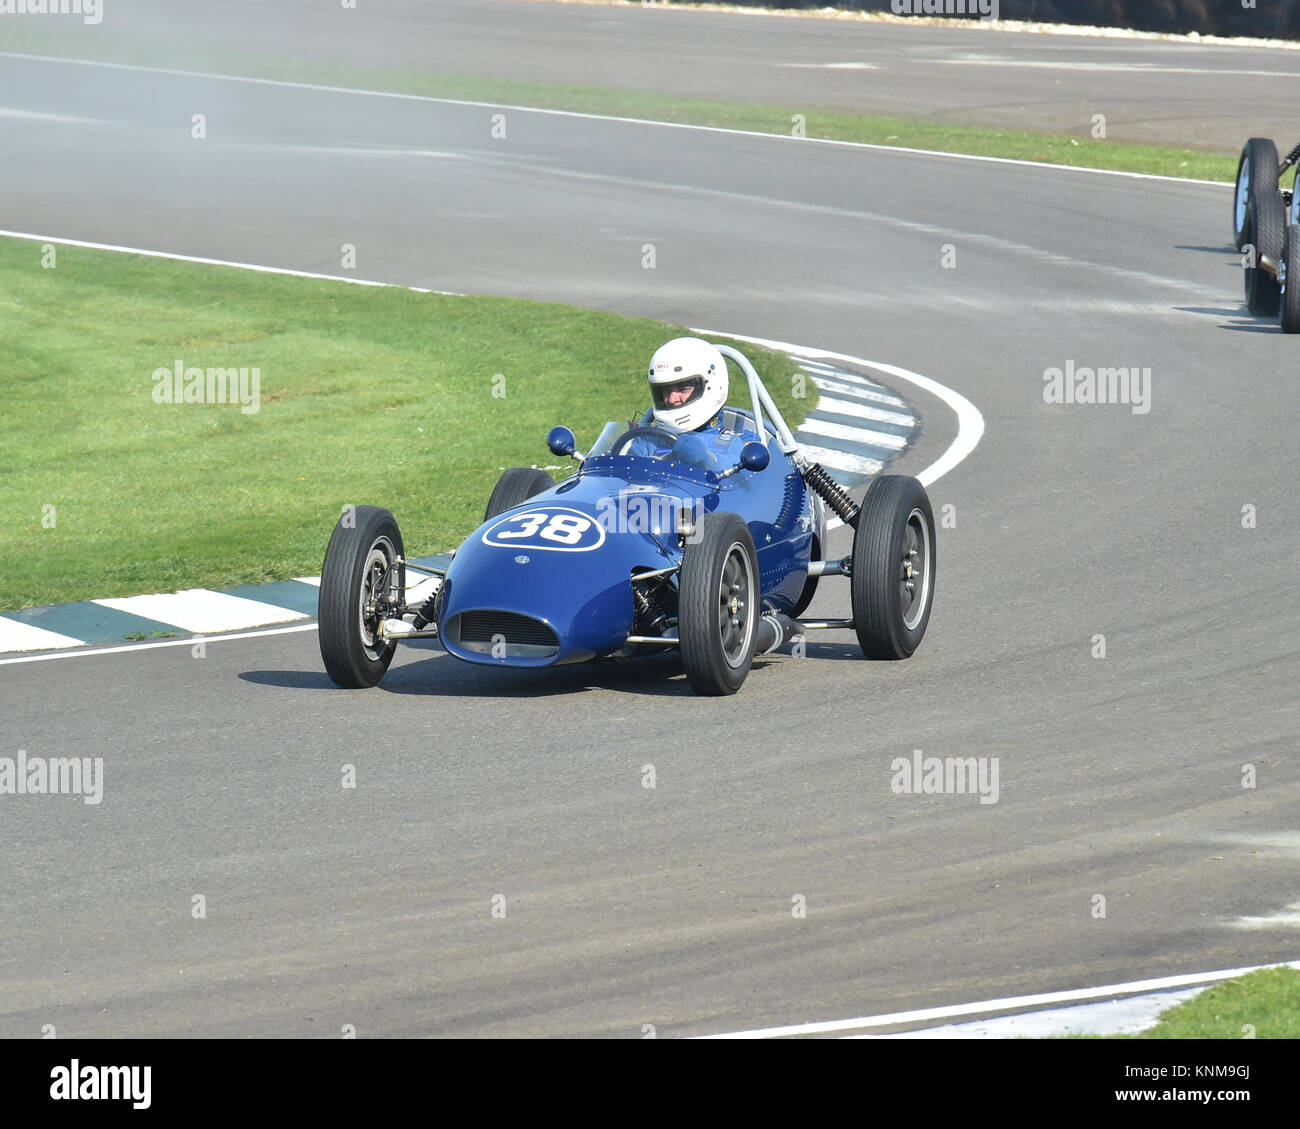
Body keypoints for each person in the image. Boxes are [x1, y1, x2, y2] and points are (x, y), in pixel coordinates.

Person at [627, 337, 757, 470]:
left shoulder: (740, 443)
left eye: (683, 389)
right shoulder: (648, 441)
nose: (672, 399)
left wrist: (709, 460)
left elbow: (742, 480)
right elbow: (619, 479)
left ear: (711, 386)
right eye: (666, 391)